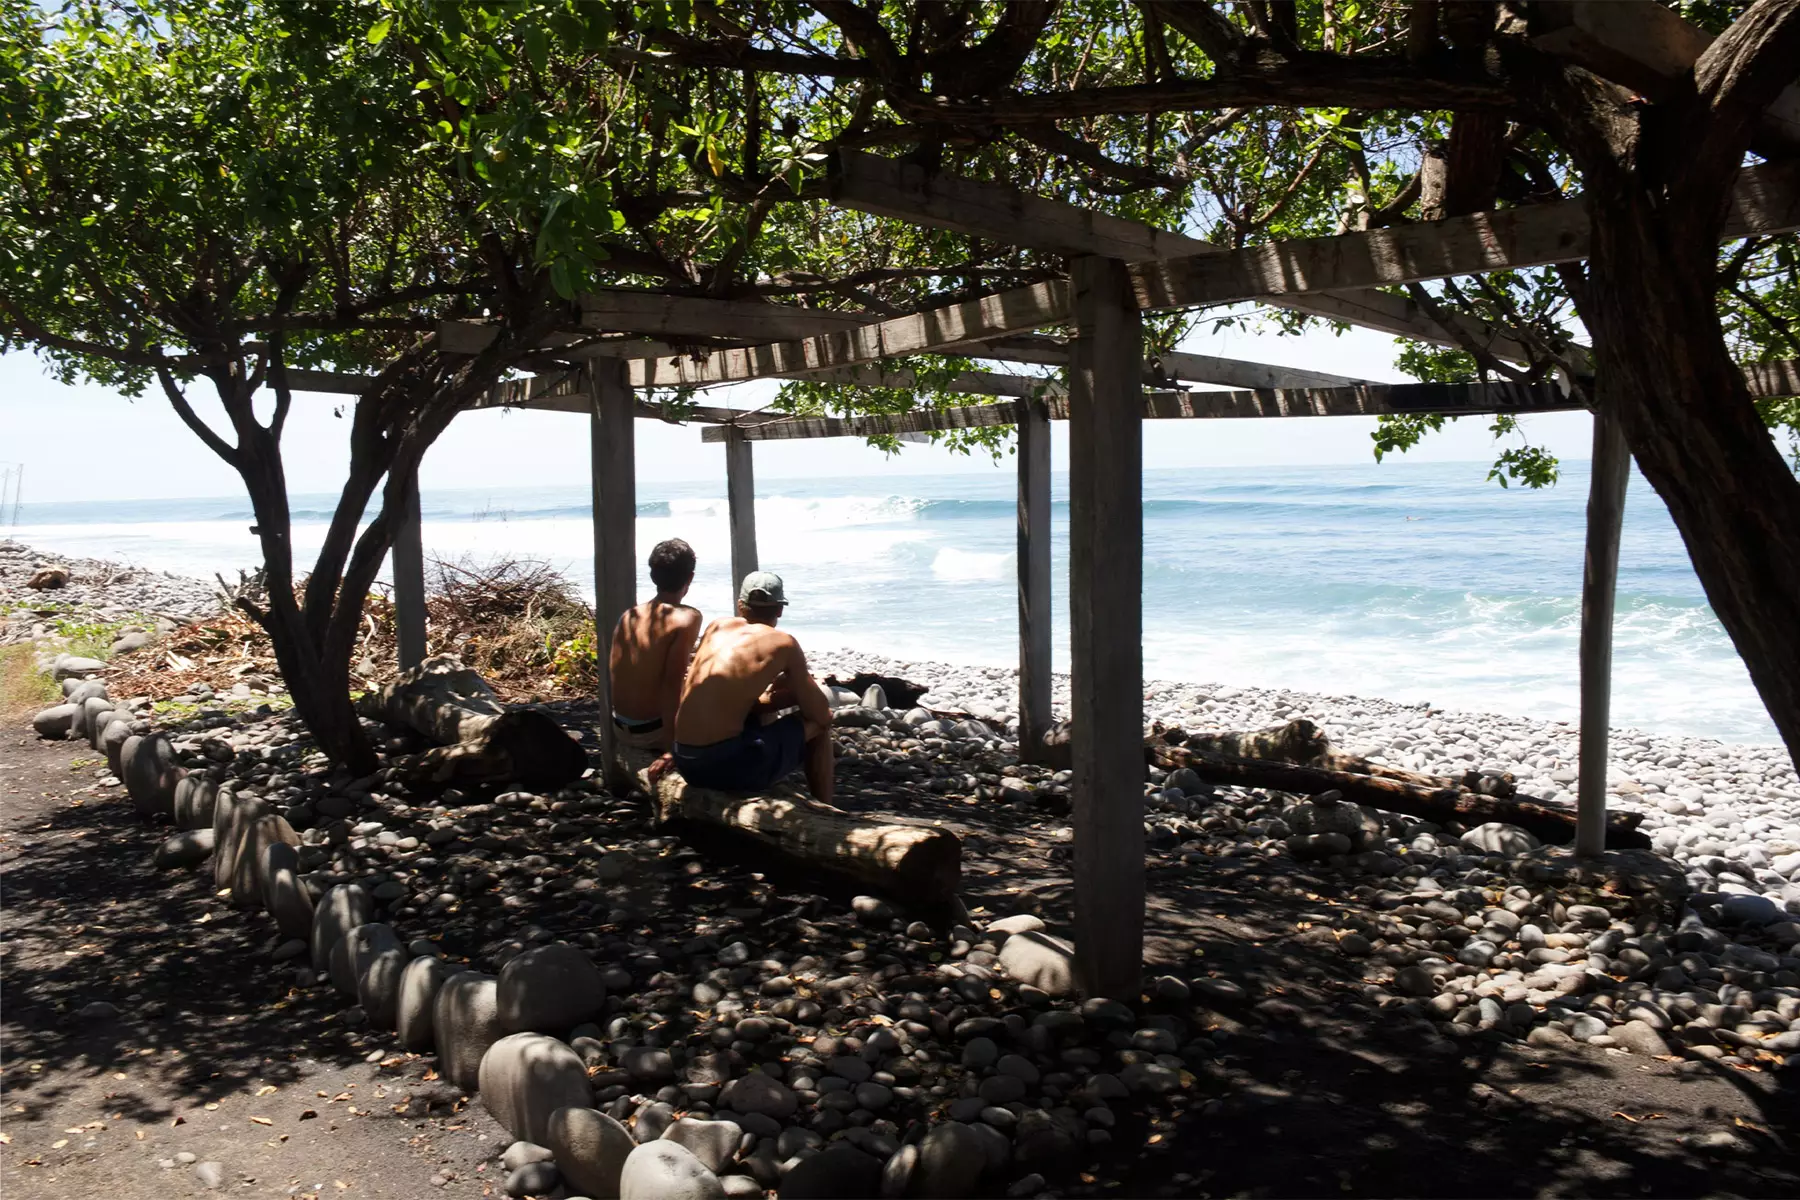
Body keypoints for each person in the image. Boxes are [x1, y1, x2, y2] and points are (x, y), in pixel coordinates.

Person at [664, 571, 834, 802]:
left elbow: (713, 700)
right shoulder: (784, 643)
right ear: (780, 609)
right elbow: (822, 715)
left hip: (685, 759)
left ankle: (769, 770)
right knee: (818, 727)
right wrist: (794, 690)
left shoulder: (716, 627)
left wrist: (774, 701)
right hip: (722, 767)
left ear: (741, 605)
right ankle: (827, 811)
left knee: (762, 712)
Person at [608, 539, 702, 752]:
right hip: (652, 734)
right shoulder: (687, 618)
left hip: (620, 727)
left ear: (653, 576)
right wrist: (672, 746)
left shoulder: (629, 616)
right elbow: (672, 685)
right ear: (690, 577)